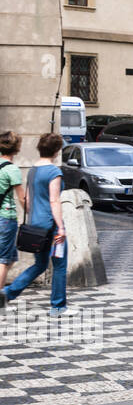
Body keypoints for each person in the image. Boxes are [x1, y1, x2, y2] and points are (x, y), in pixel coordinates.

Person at [0, 133, 67, 314]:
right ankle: (58, 306)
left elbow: (29, 197)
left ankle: (7, 293)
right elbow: (54, 201)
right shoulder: (54, 172)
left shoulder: (33, 169)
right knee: (59, 265)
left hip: (36, 224)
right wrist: (60, 227)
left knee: (40, 265)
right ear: (57, 150)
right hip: (51, 224)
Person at [0, 132, 28, 285]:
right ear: (17, 148)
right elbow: (21, 197)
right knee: (4, 261)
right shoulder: (12, 169)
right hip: (5, 217)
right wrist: (30, 212)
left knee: (10, 258)